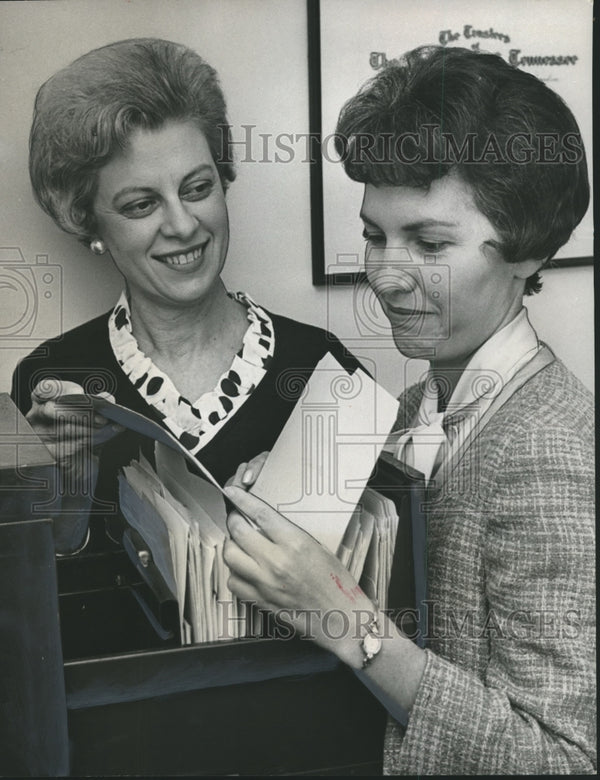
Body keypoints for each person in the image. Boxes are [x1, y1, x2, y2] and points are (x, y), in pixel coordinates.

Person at [223, 46, 595, 774]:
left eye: (427, 242)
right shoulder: (409, 407)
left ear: (526, 250)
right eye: (373, 234)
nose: (387, 276)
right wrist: (296, 499)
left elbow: (565, 760)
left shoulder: (549, 453)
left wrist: (344, 619)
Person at [10, 38, 360, 559]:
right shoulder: (52, 381)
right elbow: (34, 602)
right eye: (141, 204)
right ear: (90, 224)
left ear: (223, 181)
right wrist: (52, 479)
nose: (182, 224)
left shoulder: (323, 367)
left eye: (197, 188)